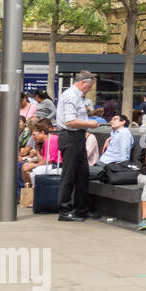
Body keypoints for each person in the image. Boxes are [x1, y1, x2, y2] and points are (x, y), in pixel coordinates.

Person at [54, 71, 101, 222]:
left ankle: (81, 208)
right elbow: (70, 121)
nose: (90, 89)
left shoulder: (78, 96)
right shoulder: (71, 96)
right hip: (71, 136)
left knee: (82, 174)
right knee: (69, 174)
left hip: (77, 137)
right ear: (82, 82)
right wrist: (90, 124)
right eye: (89, 86)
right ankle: (64, 210)